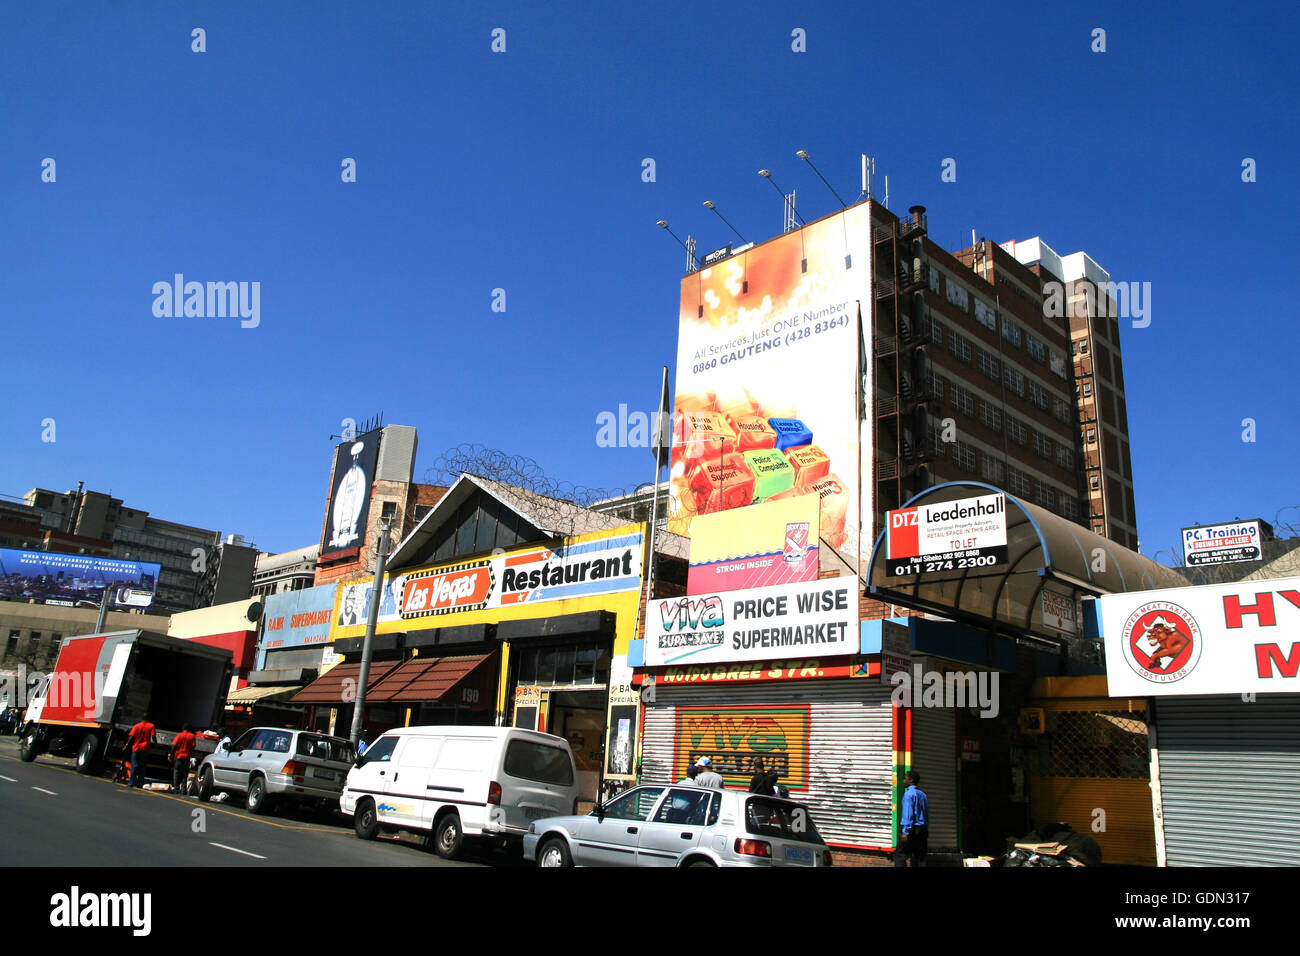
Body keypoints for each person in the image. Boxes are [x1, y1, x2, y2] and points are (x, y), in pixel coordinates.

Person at [895, 770, 929, 867]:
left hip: (912, 829)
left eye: (905, 778)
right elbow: (926, 813)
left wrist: (906, 831)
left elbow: (908, 814)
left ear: (910, 780)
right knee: (921, 857)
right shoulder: (923, 795)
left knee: (899, 855)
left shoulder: (909, 794)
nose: (904, 780)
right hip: (922, 829)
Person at [126, 713, 157, 788]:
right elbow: (153, 736)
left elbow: (132, 737)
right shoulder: (151, 726)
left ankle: (131, 782)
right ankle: (139, 783)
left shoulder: (137, 726)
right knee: (142, 766)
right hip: (145, 748)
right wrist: (155, 743)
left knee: (134, 765)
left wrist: (127, 745)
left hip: (136, 747)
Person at [170, 724, 197, 794]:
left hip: (179, 756)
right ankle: (183, 789)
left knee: (176, 772)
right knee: (185, 774)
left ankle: (176, 788)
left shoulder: (179, 735)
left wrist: (171, 755)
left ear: (183, 728)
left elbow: (174, 746)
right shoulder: (192, 736)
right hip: (187, 757)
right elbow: (193, 746)